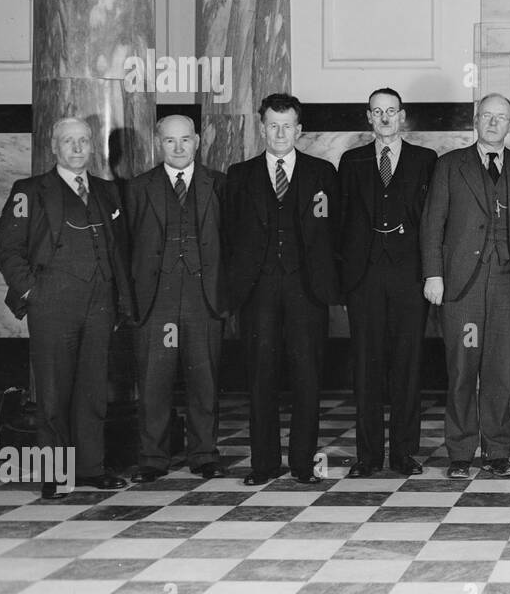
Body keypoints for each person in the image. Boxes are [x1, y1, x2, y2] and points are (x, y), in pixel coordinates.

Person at [0, 117, 133, 497]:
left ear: (92, 147)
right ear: (53, 147)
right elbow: (8, 251)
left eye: (83, 141)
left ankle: (90, 467)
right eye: (68, 142)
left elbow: (120, 252)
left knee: (93, 389)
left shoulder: (107, 192)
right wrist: (34, 295)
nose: (76, 148)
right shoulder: (30, 191)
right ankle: (55, 472)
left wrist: (120, 300)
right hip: (52, 304)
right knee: (53, 393)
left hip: (100, 304)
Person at [223, 94, 339, 486]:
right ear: (262, 128)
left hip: (307, 289)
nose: (280, 132)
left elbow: (334, 234)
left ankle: (303, 464)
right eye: (272, 125)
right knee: (261, 378)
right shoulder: (239, 175)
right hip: (257, 291)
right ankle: (264, 464)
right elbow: (227, 235)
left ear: (299, 130)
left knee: (308, 378)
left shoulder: (323, 173)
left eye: (287, 125)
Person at [422, 94, 510, 479]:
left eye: (500, 117)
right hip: (462, 287)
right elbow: (432, 224)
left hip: (507, 284)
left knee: (500, 371)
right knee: (462, 368)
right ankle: (459, 452)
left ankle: (498, 452)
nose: (492, 123)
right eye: (486, 116)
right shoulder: (450, 165)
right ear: (476, 120)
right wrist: (433, 274)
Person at [338, 87, 437, 478]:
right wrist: (345, 282)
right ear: (368, 117)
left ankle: (403, 453)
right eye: (377, 112)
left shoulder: (425, 159)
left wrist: (432, 272)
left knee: (407, 366)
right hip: (364, 277)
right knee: (365, 366)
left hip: (409, 274)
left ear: (402, 115)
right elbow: (341, 223)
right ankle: (367, 456)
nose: (384, 118)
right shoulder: (352, 160)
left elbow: (432, 221)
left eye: (391, 111)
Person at [126, 115, 228, 483]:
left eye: (185, 139)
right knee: (155, 379)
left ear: (198, 141)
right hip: (156, 299)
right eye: (170, 141)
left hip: (204, 297)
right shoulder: (138, 188)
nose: (179, 147)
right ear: (158, 143)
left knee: (205, 381)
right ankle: (153, 457)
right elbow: (127, 247)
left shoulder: (218, 184)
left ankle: (205, 454)